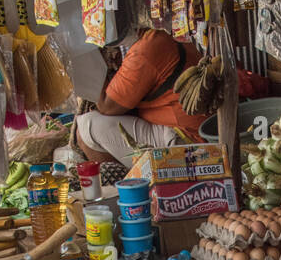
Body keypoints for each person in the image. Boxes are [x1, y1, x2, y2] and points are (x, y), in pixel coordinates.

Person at [77, 27, 209, 166]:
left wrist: (88, 58)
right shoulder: (155, 37)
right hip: (186, 130)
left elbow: (107, 106)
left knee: (88, 126)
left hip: (187, 141)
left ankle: (129, 183)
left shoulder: (145, 50)